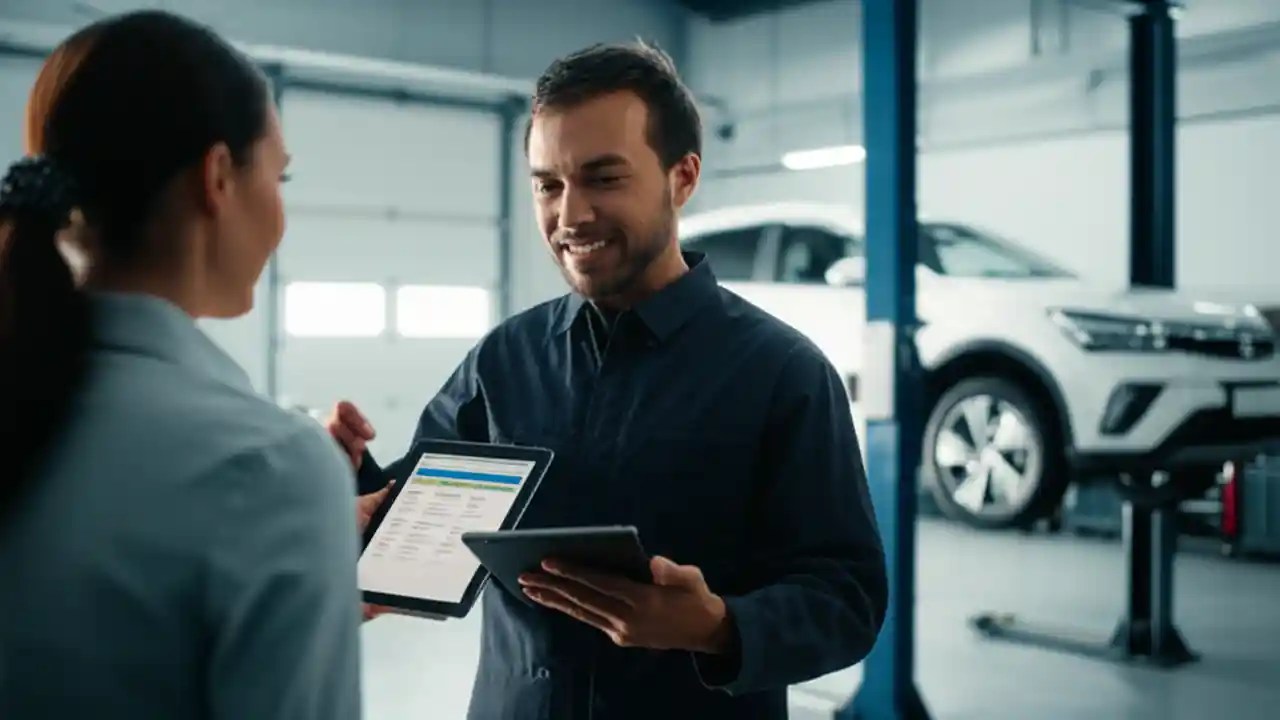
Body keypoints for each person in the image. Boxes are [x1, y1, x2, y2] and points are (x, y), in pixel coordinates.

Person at [333, 42, 887, 719]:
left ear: (682, 178)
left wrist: (717, 626)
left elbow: (847, 598)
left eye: (603, 178)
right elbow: (421, 526)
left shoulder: (783, 375)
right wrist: (352, 482)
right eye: (548, 184)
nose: (570, 216)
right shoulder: (502, 362)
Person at [0, 11, 374, 719]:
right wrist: (291, 510)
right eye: (281, 175)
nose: (281, 210)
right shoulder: (271, 468)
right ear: (218, 177)